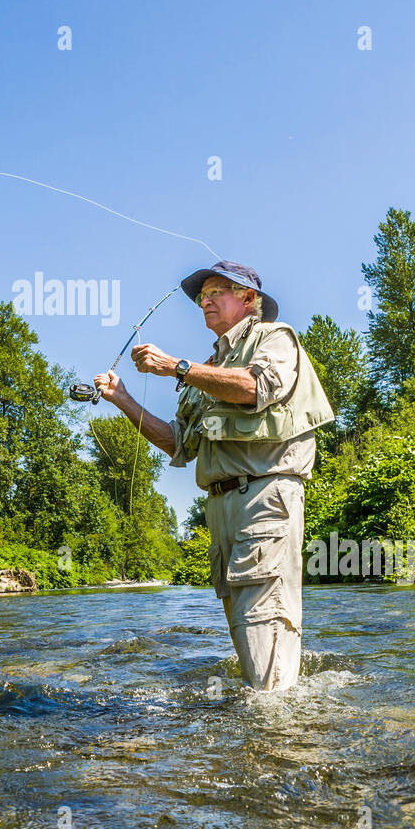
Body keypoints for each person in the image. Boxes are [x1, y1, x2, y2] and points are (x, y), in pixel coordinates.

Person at [93, 260, 334, 692]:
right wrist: (122, 399)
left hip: (265, 494)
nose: (205, 300)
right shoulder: (206, 369)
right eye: (202, 295)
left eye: (216, 291)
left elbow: (256, 388)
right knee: (245, 626)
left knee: (263, 619)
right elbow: (178, 443)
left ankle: (276, 736)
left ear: (248, 300)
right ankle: (266, 720)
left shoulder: (274, 338)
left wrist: (177, 368)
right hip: (221, 506)